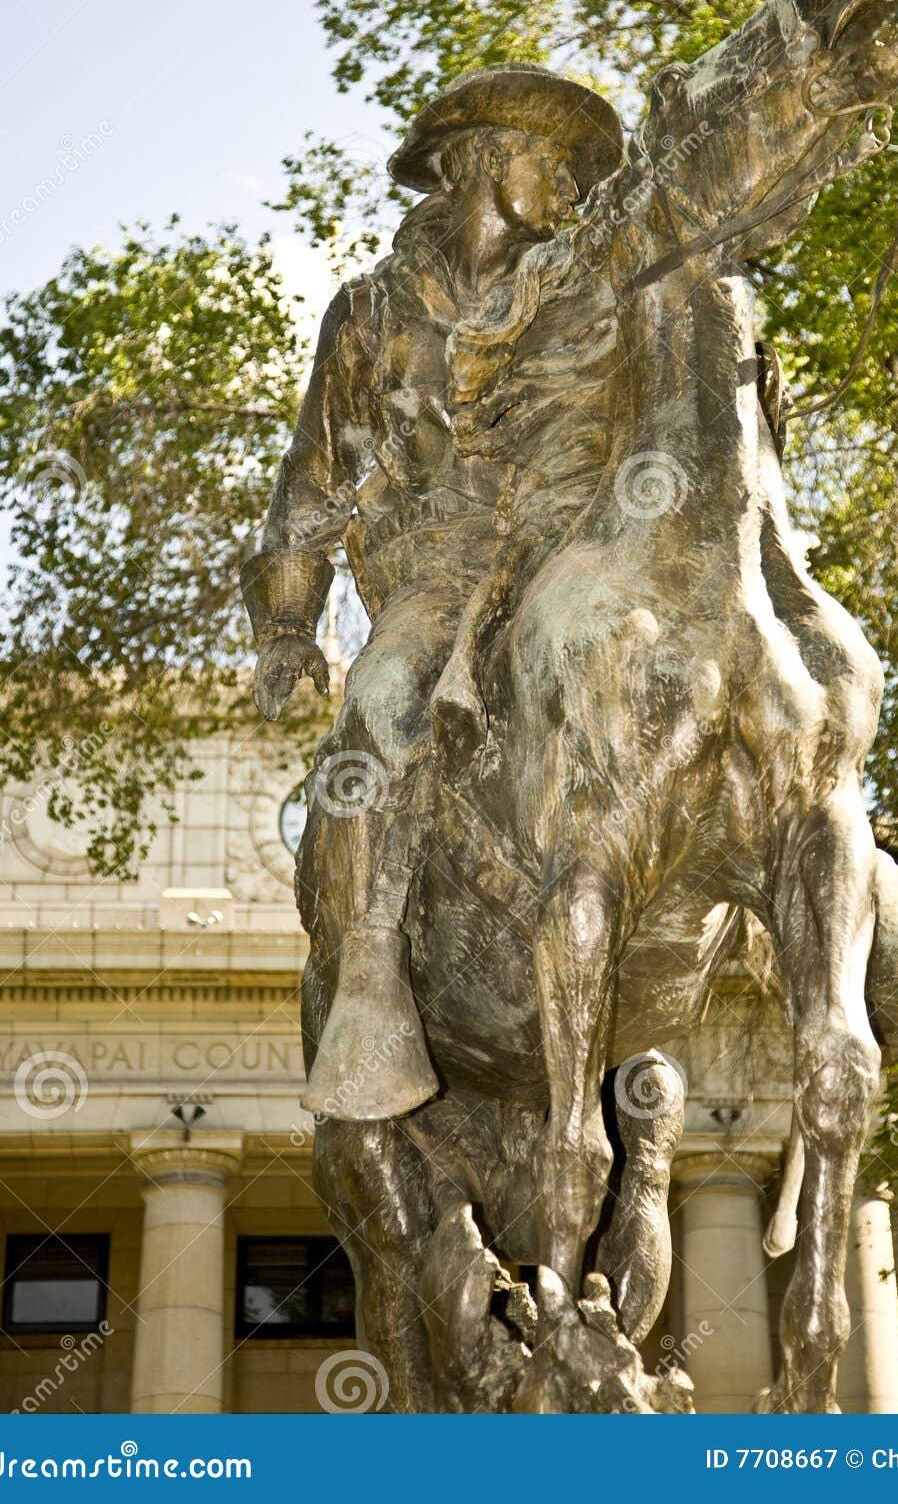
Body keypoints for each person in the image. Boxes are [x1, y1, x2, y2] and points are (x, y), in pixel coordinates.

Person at [241, 66, 623, 1118]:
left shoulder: (587, 285)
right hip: (443, 565)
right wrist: (288, 620)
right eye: (551, 160)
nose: (569, 185)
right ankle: (371, 961)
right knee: (374, 711)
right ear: (483, 161)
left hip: (577, 547)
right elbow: (314, 474)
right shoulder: (369, 313)